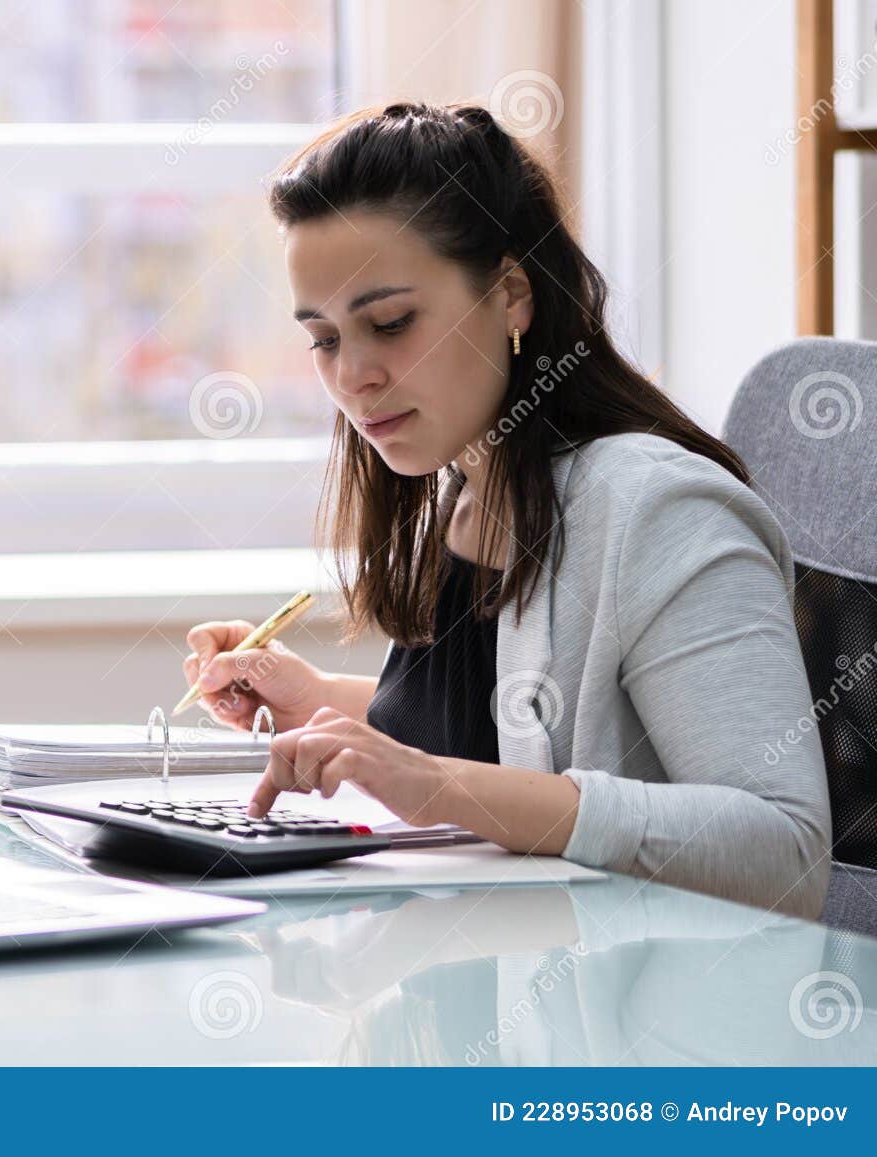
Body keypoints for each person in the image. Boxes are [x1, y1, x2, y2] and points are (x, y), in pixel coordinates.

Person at [182, 102, 830, 919]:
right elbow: (492, 730)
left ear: (513, 294)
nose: (353, 377)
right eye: (325, 339)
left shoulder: (662, 513)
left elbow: (783, 851)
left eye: (389, 322)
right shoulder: (467, 489)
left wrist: (437, 787)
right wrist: (311, 699)